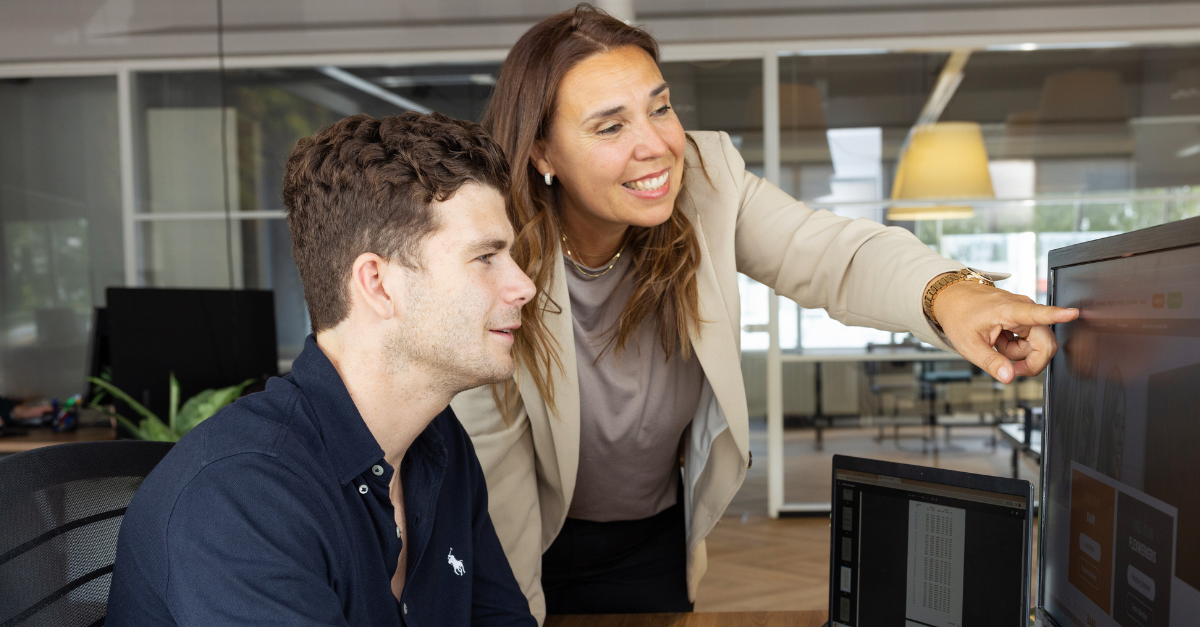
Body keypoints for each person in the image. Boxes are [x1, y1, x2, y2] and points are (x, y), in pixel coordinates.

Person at [449, 4, 1079, 621]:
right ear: (542, 153)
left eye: (660, 107)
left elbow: (832, 254)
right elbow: (495, 480)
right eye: (610, 127)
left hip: (655, 537)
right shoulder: (490, 263)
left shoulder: (703, 184)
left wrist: (950, 291)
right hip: (523, 532)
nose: (657, 146)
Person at [107, 112, 538, 627]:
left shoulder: (438, 442)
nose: (524, 286)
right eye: (487, 257)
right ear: (378, 284)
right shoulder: (242, 496)